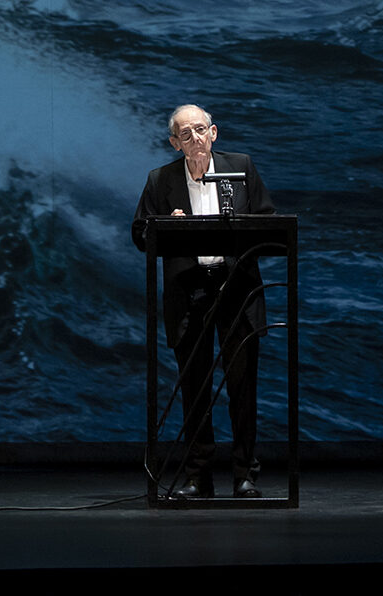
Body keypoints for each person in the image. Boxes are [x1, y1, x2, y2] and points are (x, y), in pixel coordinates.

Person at [131, 104, 277, 500]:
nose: (194, 138)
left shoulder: (240, 167)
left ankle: (246, 475)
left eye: (200, 130)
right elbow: (141, 234)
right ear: (174, 143)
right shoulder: (160, 180)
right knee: (195, 389)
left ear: (214, 133)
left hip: (237, 291)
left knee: (242, 388)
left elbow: (269, 222)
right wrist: (168, 226)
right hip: (189, 293)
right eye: (185, 133)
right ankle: (199, 477)